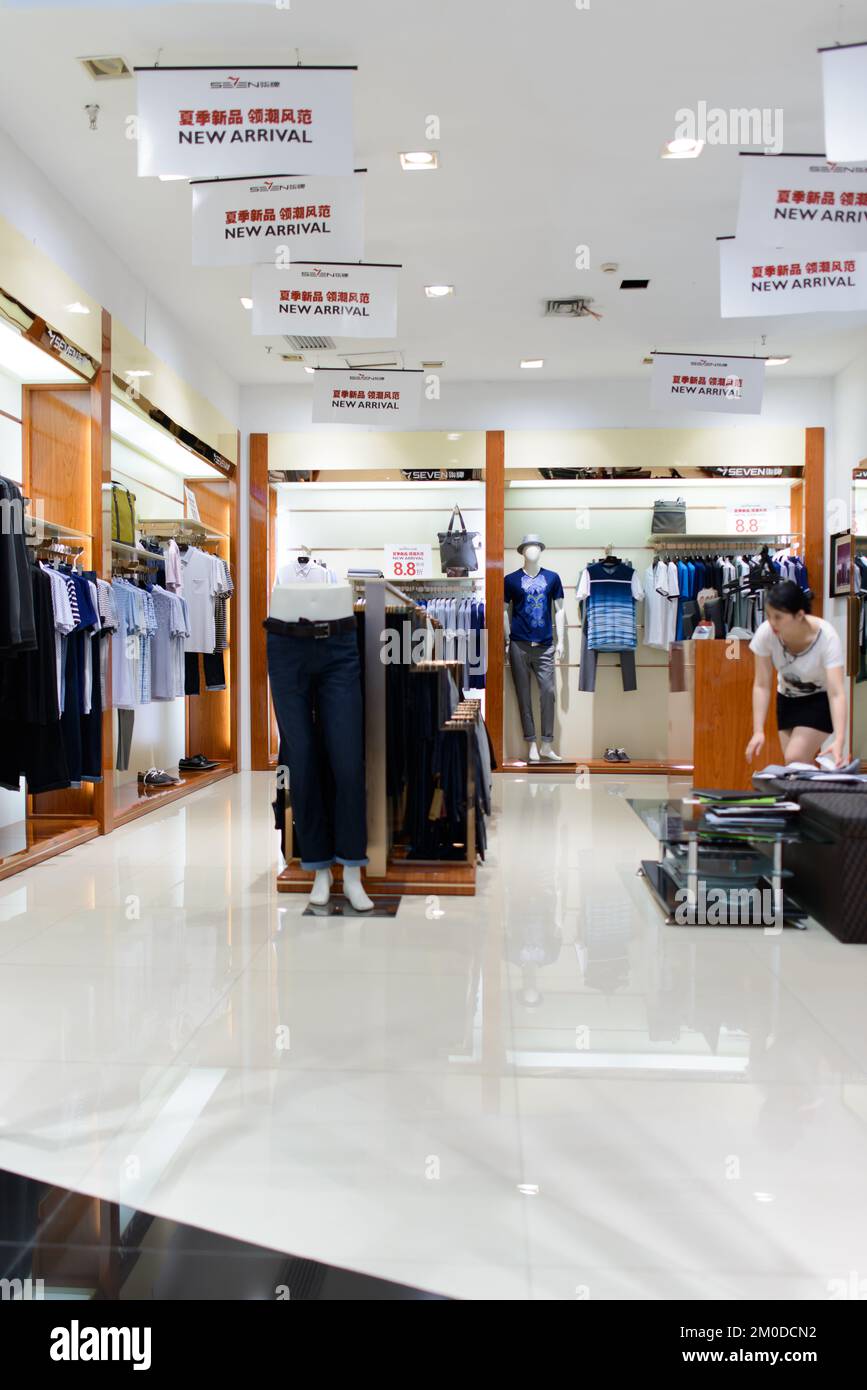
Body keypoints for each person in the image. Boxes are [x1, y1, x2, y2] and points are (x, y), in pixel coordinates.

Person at [745, 581, 847, 767]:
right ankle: (821, 793)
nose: (772, 623)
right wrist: (758, 730)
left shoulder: (826, 637)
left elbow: (836, 692)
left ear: (799, 615)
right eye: (769, 616)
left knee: (794, 757)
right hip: (787, 699)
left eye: (778, 617)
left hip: (819, 700)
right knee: (795, 768)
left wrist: (839, 738)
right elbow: (761, 684)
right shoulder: (766, 633)